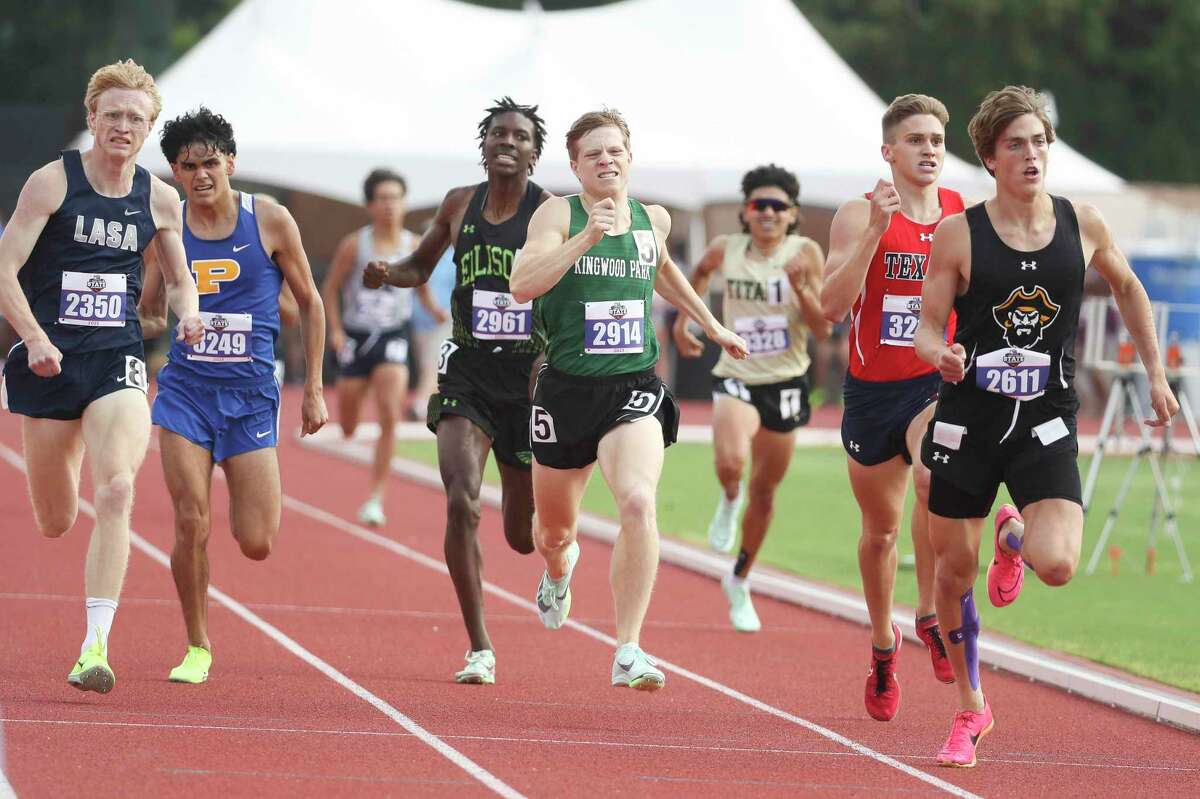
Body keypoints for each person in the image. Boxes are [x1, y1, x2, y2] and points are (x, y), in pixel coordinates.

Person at [915, 85, 1178, 768]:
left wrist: (1153, 373)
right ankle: (971, 707)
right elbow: (922, 325)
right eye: (1016, 145)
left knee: (1058, 565)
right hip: (967, 423)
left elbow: (1126, 286)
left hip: (1045, 422)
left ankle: (1017, 538)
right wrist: (936, 352)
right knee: (952, 572)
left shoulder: (1081, 223)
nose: (1032, 154)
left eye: (1039, 141)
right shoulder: (958, 233)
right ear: (991, 157)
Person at [511, 109, 747, 690]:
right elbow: (522, 284)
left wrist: (710, 324)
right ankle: (557, 574)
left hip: (634, 385)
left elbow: (661, 269)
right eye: (593, 154)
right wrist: (587, 236)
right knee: (553, 533)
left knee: (639, 503)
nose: (606, 161)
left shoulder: (653, 218)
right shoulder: (556, 214)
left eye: (615, 150)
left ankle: (628, 649)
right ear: (575, 165)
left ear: (630, 157)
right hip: (566, 390)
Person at [0, 60, 203, 693]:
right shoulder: (51, 183)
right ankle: (74, 432)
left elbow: (176, 279)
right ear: (92, 119)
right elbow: (4, 270)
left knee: (116, 489)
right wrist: (33, 337)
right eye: (111, 115)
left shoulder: (159, 197)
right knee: (55, 518)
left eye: (134, 119)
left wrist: (190, 315)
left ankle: (95, 645)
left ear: (149, 129)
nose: (121, 126)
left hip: (117, 359)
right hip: (49, 362)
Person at [362, 98, 551, 685]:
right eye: (498, 133)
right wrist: (389, 272)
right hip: (467, 369)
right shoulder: (457, 204)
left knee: (522, 537)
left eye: (520, 136)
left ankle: (555, 555)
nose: (508, 142)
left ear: (534, 152)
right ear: (484, 143)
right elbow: (421, 265)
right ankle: (479, 647)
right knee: (461, 498)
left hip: (526, 381)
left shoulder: (551, 212)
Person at [137, 107, 328, 684]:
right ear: (174, 170)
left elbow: (312, 304)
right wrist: (149, 321)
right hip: (186, 394)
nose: (200, 175)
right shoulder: (163, 227)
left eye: (210, 162)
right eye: (187, 165)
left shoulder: (269, 220)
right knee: (191, 521)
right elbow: (149, 313)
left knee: (256, 541)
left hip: (249, 399)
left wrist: (314, 389)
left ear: (231, 162)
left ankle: (208, 618)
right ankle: (197, 644)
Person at [819, 94, 964, 721]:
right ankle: (884, 646)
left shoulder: (963, 214)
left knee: (933, 478)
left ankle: (930, 612)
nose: (929, 149)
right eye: (915, 140)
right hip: (871, 391)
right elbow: (829, 303)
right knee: (879, 533)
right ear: (888, 151)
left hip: (933, 383)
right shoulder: (859, 214)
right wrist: (876, 235)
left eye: (936, 138)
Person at [673, 164, 830, 633]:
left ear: (792, 214)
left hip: (785, 379)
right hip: (736, 370)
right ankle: (727, 497)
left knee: (765, 490)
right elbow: (695, 276)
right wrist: (686, 323)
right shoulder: (727, 249)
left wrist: (801, 287)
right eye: (758, 205)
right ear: (745, 211)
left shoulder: (806, 252)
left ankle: (739, 578)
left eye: (777, 206)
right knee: (731, 462)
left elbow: (822, 327)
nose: (767, 213)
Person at [322, 169, 444, 526]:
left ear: (405, 203)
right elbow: (330, 289)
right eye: (383, 198)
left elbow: (419, 283)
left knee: (390, 413)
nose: (390, 205)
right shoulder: (354, 245)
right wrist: (337, 332)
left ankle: (376, 497)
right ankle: (351, 417)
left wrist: (435, 309)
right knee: (347, 424)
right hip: (357, 338)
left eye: (396, 198)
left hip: (393, 335)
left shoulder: (412, 246)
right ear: (371, 205)